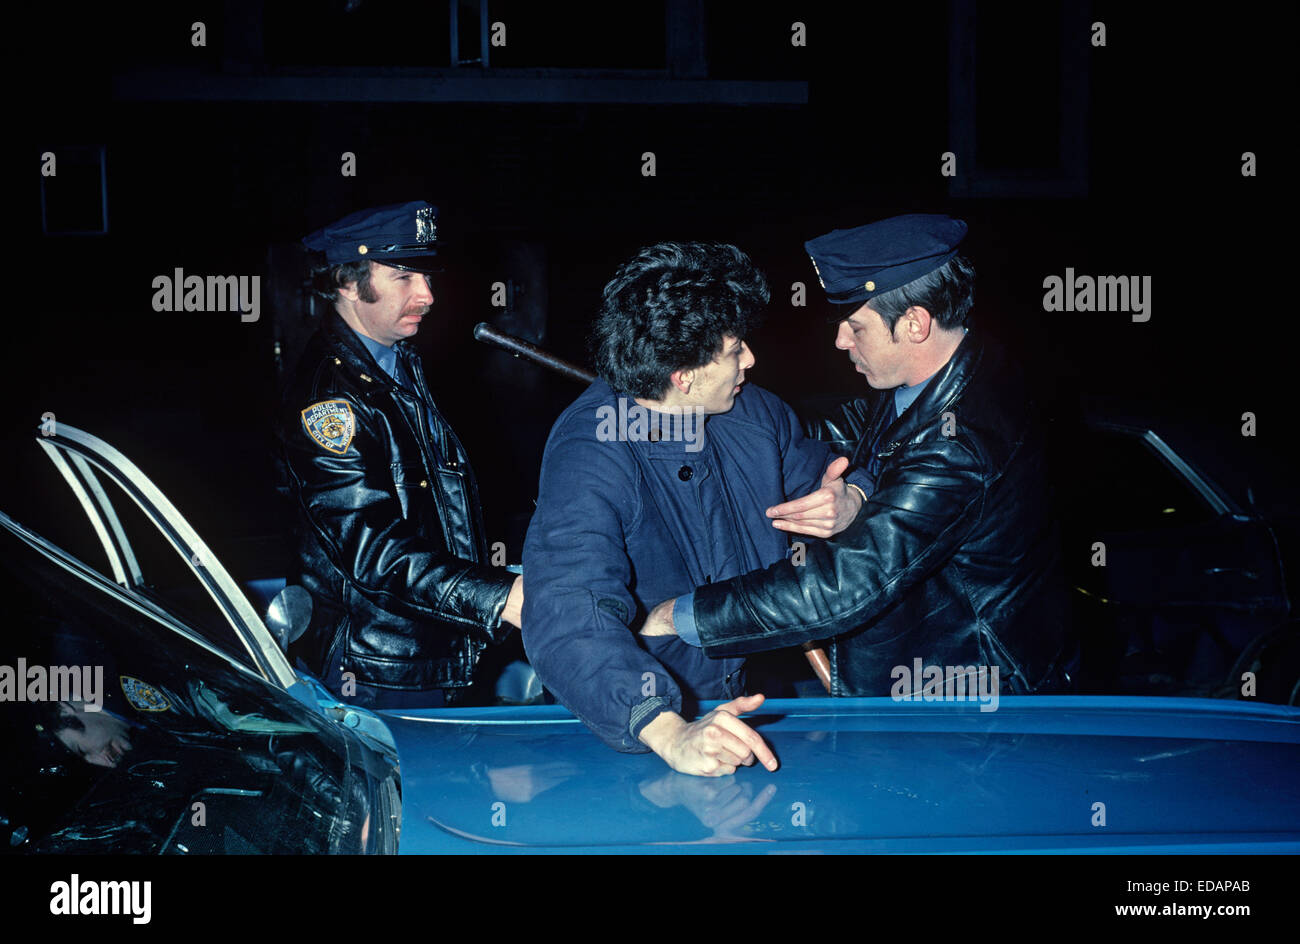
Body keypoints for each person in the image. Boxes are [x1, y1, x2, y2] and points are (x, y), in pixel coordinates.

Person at [642, 214, 1070, 697]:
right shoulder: (947, 369)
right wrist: (736, 415)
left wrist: (683, 615)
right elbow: (874, 431)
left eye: (855, 326)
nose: (841, 340)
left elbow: (846, 584)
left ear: (914, 324)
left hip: (967, 703)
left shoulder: (963, 442)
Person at [522, 242, 868, 776]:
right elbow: (570, 608)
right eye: (735, 350)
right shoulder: (590, 451)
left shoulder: (755, 411)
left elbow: (831, 473)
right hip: (631, 722)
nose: (751, 359)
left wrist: (853, 497)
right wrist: (668, 732)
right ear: (683, 374)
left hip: (744, 694)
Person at [281, 200, 522, 708]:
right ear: (348, 282)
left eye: (427, 275)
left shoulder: (394, 361)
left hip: (429, 642)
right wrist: (499, 597)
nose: (428, 295)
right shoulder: (331, 398)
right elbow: (372, 548)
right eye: (404, 275)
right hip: (378, 668)